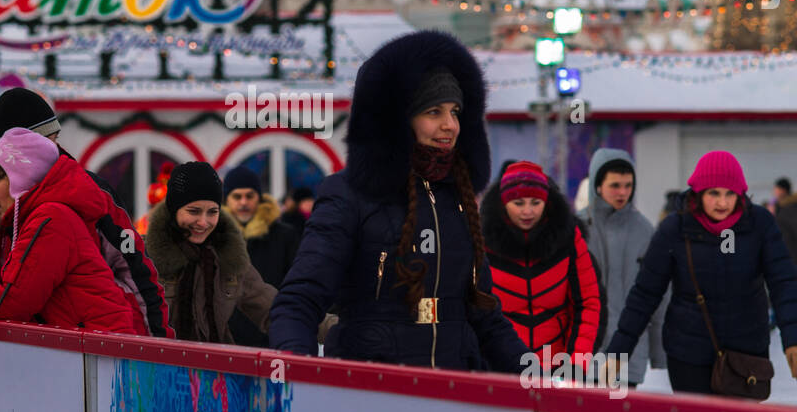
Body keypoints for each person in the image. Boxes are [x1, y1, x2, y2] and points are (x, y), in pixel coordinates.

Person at [268, 31, 528, 372]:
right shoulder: (349, 195)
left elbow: (485, 317)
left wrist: (537, 379)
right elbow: (299, 301)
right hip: (375, 394)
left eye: (455, 111)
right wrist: (296, 376)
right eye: (433, 112)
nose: (450, 125)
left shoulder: (458, 199)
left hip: (456, 392)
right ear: (396, 121)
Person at [0, 88, 169, 378]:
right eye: (43, 140)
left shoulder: (66, 205)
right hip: (35, 354)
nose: (53, 148)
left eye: (54, 138)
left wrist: (156, 346)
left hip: (93, 352)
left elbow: (135, 269)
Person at [605, 150, 797, 396]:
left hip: (746, 354)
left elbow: (783, 282)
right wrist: (620, 349)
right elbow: (646, 291)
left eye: (730, 193)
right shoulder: (675, 228)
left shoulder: (759, 224)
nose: (722, 203)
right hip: (689, 354)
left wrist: (794, 339)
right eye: (714, 193)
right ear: (699, 192)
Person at [0, 129, 139, 335]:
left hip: (101, 355)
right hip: (85, 350)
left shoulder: (51, 219)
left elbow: (15, 302)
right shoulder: (29, 221)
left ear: (22, 178)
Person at [482, 160, 601, 367]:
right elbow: (474, 308)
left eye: (535, 203)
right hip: (499, 365)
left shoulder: (569, 238)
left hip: (556, 366)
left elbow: (587, 303)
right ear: (503, 203)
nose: (528, 211)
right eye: (518, 203)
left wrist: (577, 363)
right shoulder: (481, 243)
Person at [144, 161, 274, 343]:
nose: (203, 222)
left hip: (213, 366)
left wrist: (327, 328)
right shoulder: (144, 257)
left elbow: (272, 309)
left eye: (212, 212)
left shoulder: (228, 257)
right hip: (153, 368)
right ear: (174, 210)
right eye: (194, 211)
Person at [578, 148, 668, 387]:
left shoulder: (645, 231)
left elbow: (659, 295)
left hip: (628, 357)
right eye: (615, 185)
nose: (622, 192)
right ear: (597, 185)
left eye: (628, 185)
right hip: (583, 354)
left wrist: (659, 352)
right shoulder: (574, 229)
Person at [221, 165, 299, 346]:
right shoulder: (218, 238)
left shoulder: (284, 236)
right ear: (227, 200)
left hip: (272, 335)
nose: (243, 202)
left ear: (259, 198)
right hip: (228, 342)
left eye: (249, 196)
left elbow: (295, 283)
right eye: (237, 196)